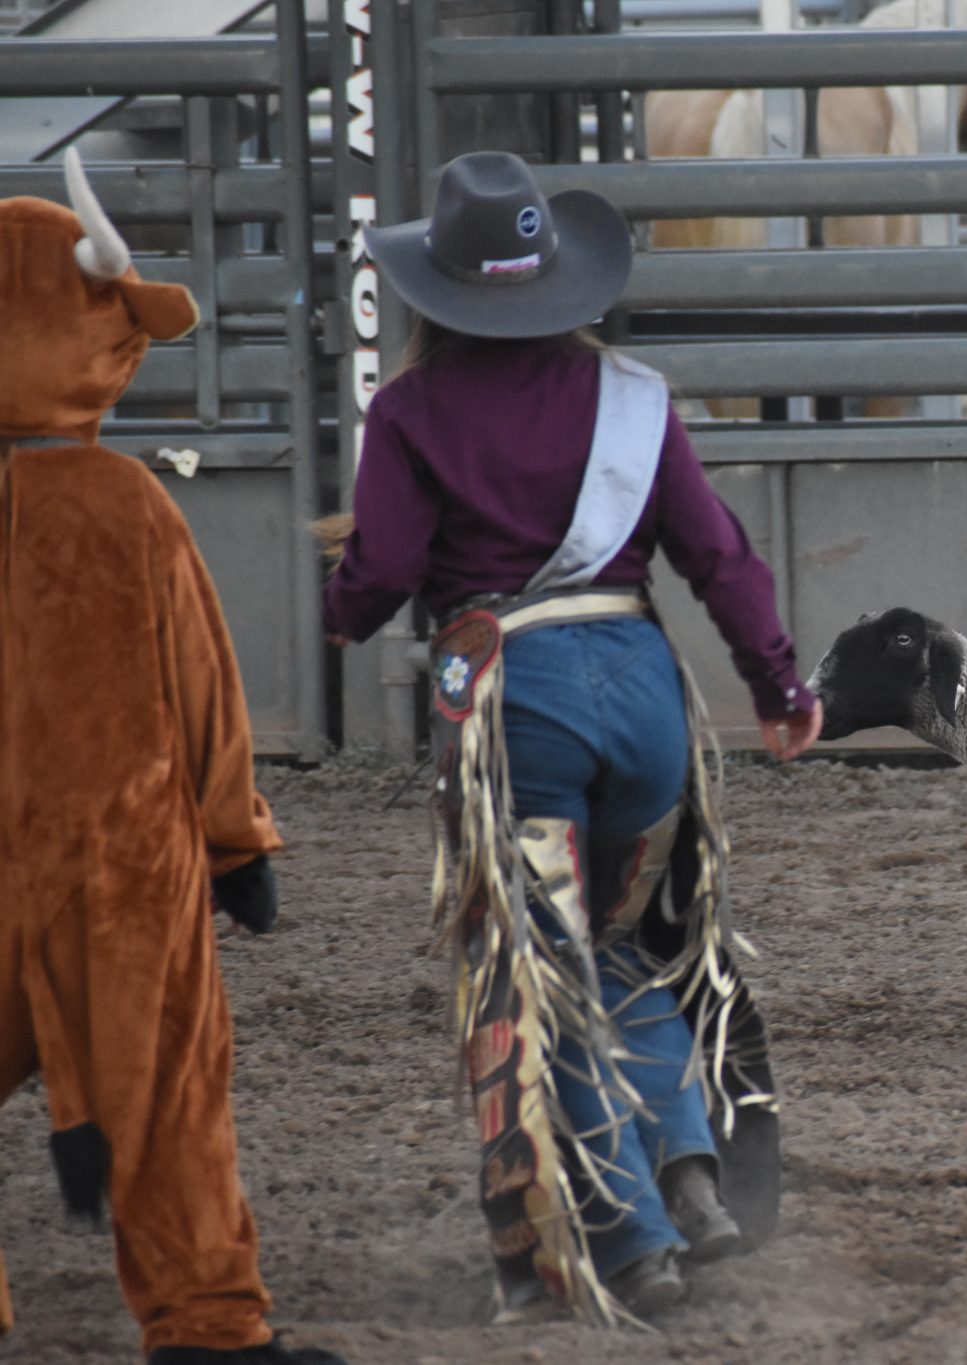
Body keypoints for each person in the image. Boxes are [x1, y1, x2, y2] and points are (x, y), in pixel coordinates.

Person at [321, 151, 820, 1325]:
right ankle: (691, 1178)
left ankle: (632, 1240)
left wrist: (342, 613)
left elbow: (384, 569)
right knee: (617, 945)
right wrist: (777, 681)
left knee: (537, 976)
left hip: (517, 709)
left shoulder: (407, 410)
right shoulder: (635, 400)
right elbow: (719, 555)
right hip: (644, 697)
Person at [0, 153, 346, 1364]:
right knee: (170, 1100)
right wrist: (237, 840)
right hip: (124, 869)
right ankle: (204, 1324)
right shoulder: (129, 502)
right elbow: (205, 692)